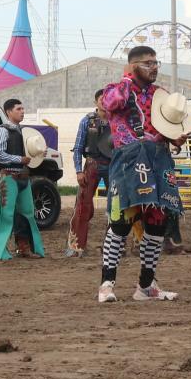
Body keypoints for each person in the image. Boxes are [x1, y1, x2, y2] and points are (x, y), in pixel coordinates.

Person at [95, 45, 188, 303]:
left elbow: (167, 129)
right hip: (129, 159)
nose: (154, 67)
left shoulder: (161, 95)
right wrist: (127, 78)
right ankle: (106, 284)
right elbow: (109, 103)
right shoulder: (116, 89)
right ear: (133, 66)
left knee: (157, 225)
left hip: (158, 159)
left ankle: (146, 287)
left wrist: (175, 138)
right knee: (121, 223)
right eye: (148, 63)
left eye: (156, 62)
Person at [0, 98, 45, 261]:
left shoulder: (21, 131)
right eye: (19, 109)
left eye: (23, 108)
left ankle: (22, 247)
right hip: (9, 177)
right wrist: (20, 159)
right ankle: (0, 251)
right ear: (9, 112)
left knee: (27, 214)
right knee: (7, 215)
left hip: (21, 177)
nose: (22, 111)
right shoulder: (3, 130)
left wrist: (37, 153)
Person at [64, 88, 112, 258]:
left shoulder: (117, 121)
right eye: (102, 99)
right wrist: (78, 171)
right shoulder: (87, 121)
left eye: (108, 99)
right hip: (91, 164)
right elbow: (78, 148)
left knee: (116, 206)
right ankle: (76, 246)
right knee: (83, 205)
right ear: (96, 102)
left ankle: (114, 247)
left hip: (112, 165)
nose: (105, 102)